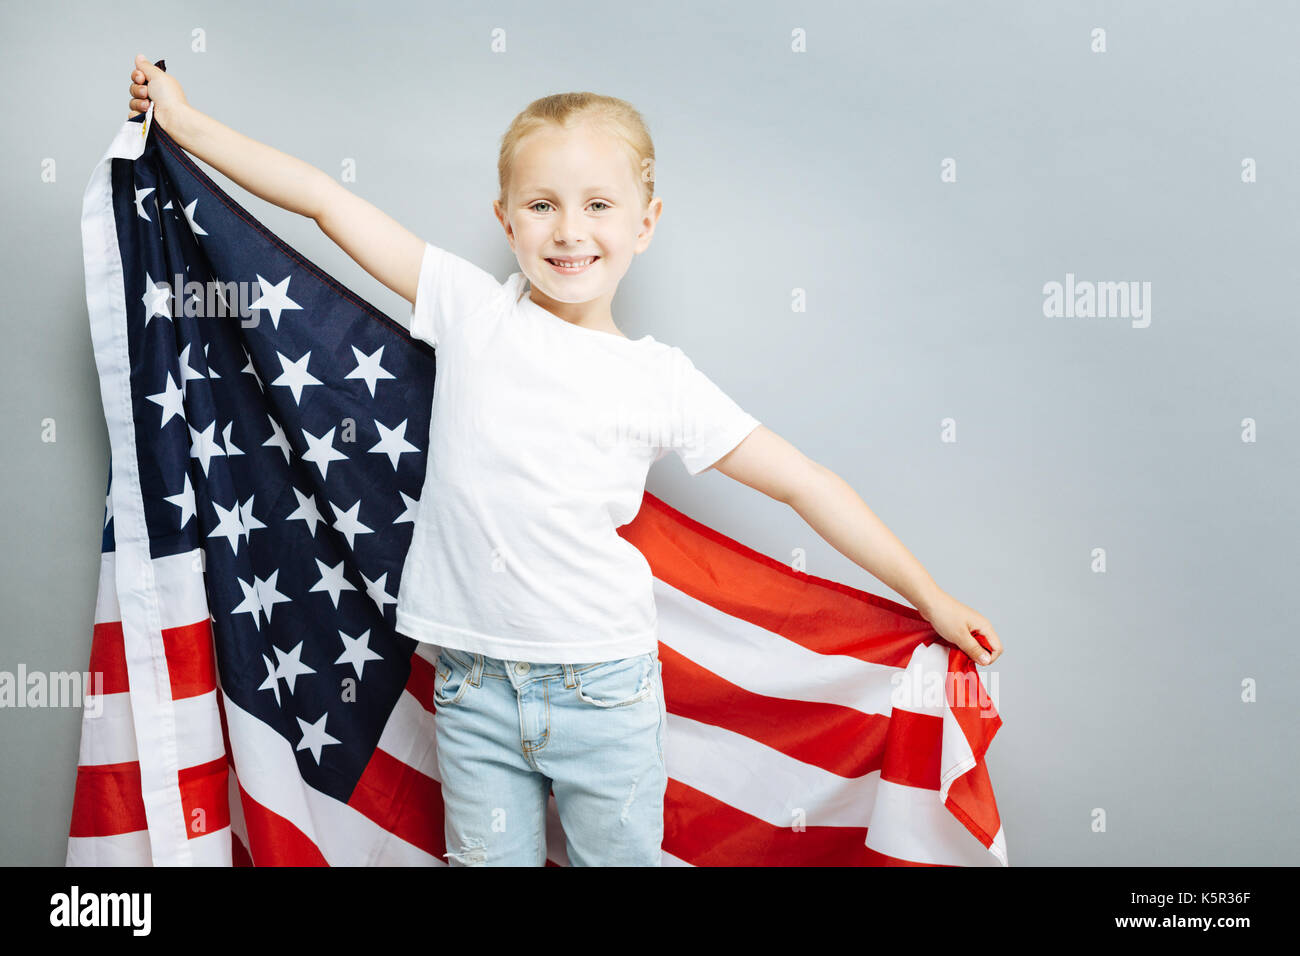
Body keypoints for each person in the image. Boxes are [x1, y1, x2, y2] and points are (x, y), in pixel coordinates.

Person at [126, 55, 1005, 867]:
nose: (569, 230)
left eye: (598, 204)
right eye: (542, 204)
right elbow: (322, 200)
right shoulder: (472, 311)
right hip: (472, 691)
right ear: (504, 218)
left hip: (604, 697)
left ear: (645, 222)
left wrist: (931, 597)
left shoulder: (658, 380)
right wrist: (187, 125)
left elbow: (808, 484)